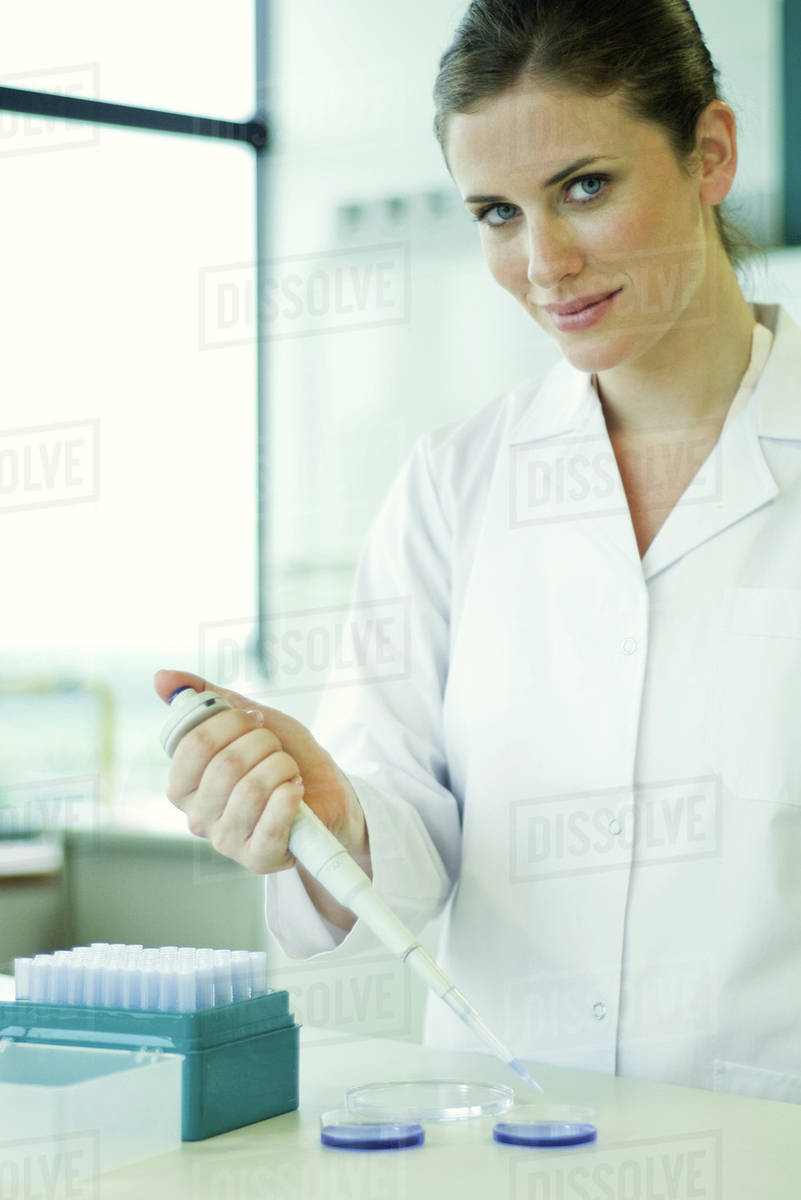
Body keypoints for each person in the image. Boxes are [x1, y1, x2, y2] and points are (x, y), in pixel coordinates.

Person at [155, 0, 801, 1103]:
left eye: (584, 188)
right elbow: (405, 840)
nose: (543, 261)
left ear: (712, 153)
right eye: (497, 212)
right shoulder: (455, 485)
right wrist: (336, 808)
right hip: (511, 1138)